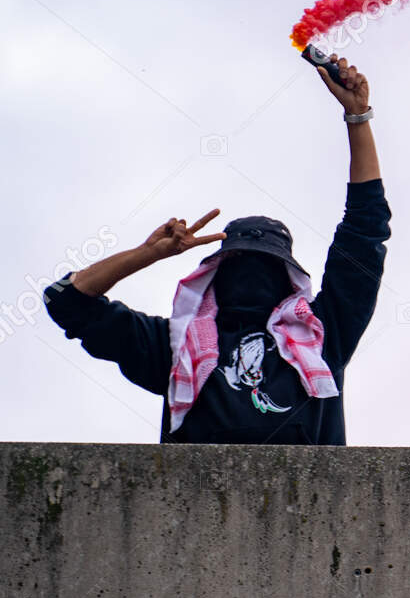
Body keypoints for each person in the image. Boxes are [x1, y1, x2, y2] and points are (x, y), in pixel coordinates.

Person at [42, 55, 389, 445]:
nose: (252, 273)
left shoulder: (321, 336)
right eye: (239, 260)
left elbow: (364, 232)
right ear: (216, 272)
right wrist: (147, 252)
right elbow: (65, 300)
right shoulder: (176, 347)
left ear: (287, 277)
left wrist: (358, 118)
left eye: (265, 263)